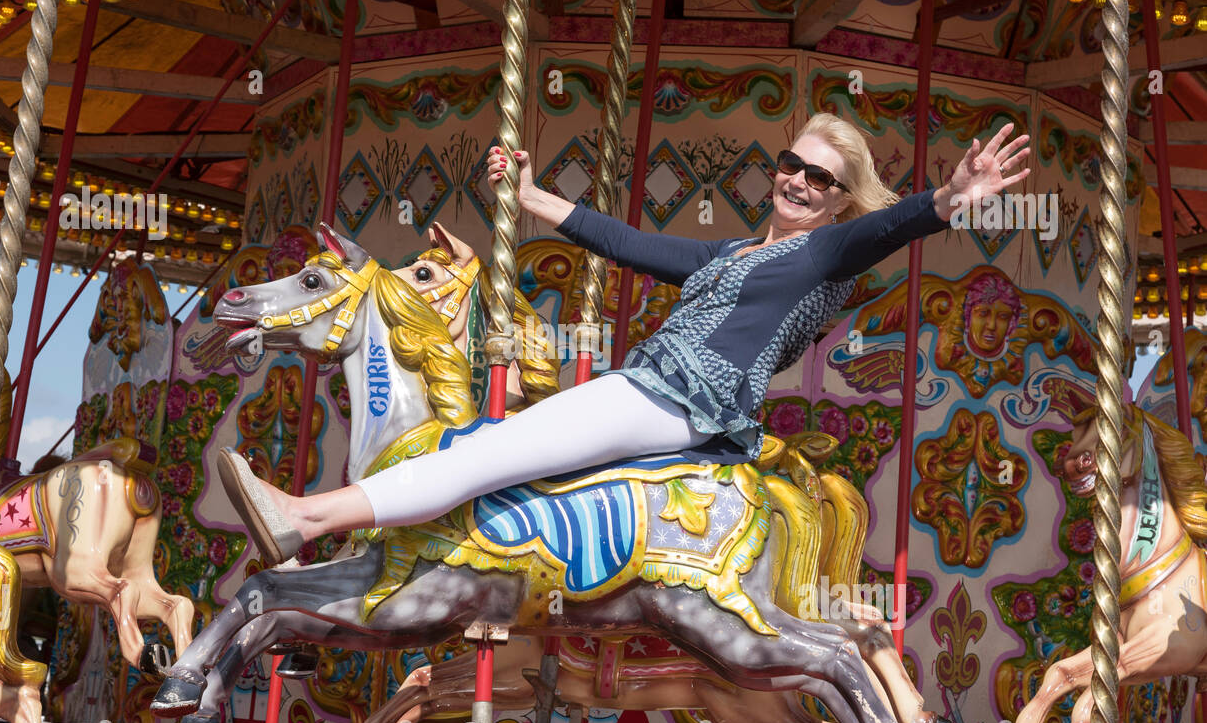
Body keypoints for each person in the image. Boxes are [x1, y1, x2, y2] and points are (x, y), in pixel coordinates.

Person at [220, 114, 1031, 564]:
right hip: (655, 391)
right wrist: (535, 196)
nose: (799, 180)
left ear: (839, 200)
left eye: (822, 178)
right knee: (501, 466)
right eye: (793, 162)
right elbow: (637, 244)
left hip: (678, 398)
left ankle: (308, 517)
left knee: (480, 457)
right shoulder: (735, 251)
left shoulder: (826, 250)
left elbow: (887, 229)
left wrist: (949, 197)